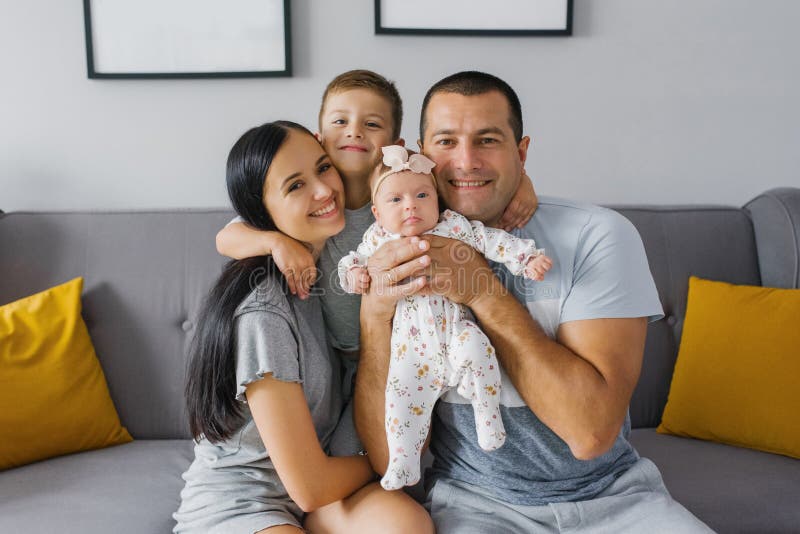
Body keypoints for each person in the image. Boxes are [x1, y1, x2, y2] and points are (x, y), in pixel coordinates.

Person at [354, 72, 714, 533]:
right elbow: (388, 455)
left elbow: (589, 434)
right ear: (419, 154)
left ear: (521, 153)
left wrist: (481, 289)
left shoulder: (596, 236)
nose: (465, 162)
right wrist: (374, 313)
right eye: (446, 142)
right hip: (475, 505)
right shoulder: (387, 251)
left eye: (487, 140)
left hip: (618, 499)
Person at [215, 70, 539, 444]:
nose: (354, 132)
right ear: (319, 138)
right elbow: (226, 236)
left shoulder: (402, 193)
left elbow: (459, 183)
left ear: (396, 145)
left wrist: (523, 182)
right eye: (341, 122)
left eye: (371, 124)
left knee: (391, 439)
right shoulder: (312, 199)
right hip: (334, 358)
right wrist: (276, 244)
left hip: (400, 349)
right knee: (352, 446)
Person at [174, 121, 432, 534]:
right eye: (295, 186)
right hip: (246, 500)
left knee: (405, 525)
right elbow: (309, 487)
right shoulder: (263, 310)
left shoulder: (336, 256)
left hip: (318, 498)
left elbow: (434, 199)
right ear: (262, 213)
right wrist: (387, 461)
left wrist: (523, 191)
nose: (323, 191)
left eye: (324, 168)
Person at [338, 145, 552, 490]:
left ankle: (487, 416)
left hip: (455, 332)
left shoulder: (452, 226)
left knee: (478, 350)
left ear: (438, 200)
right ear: (377, 213)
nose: (410, 205)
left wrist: (524, 258)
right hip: (412, 348)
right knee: (401, 397)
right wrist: (354, 276)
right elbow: (351, 261)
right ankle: (404, 461)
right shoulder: (377, 240)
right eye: (396, 200)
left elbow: (490, 239)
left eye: (422, 195)